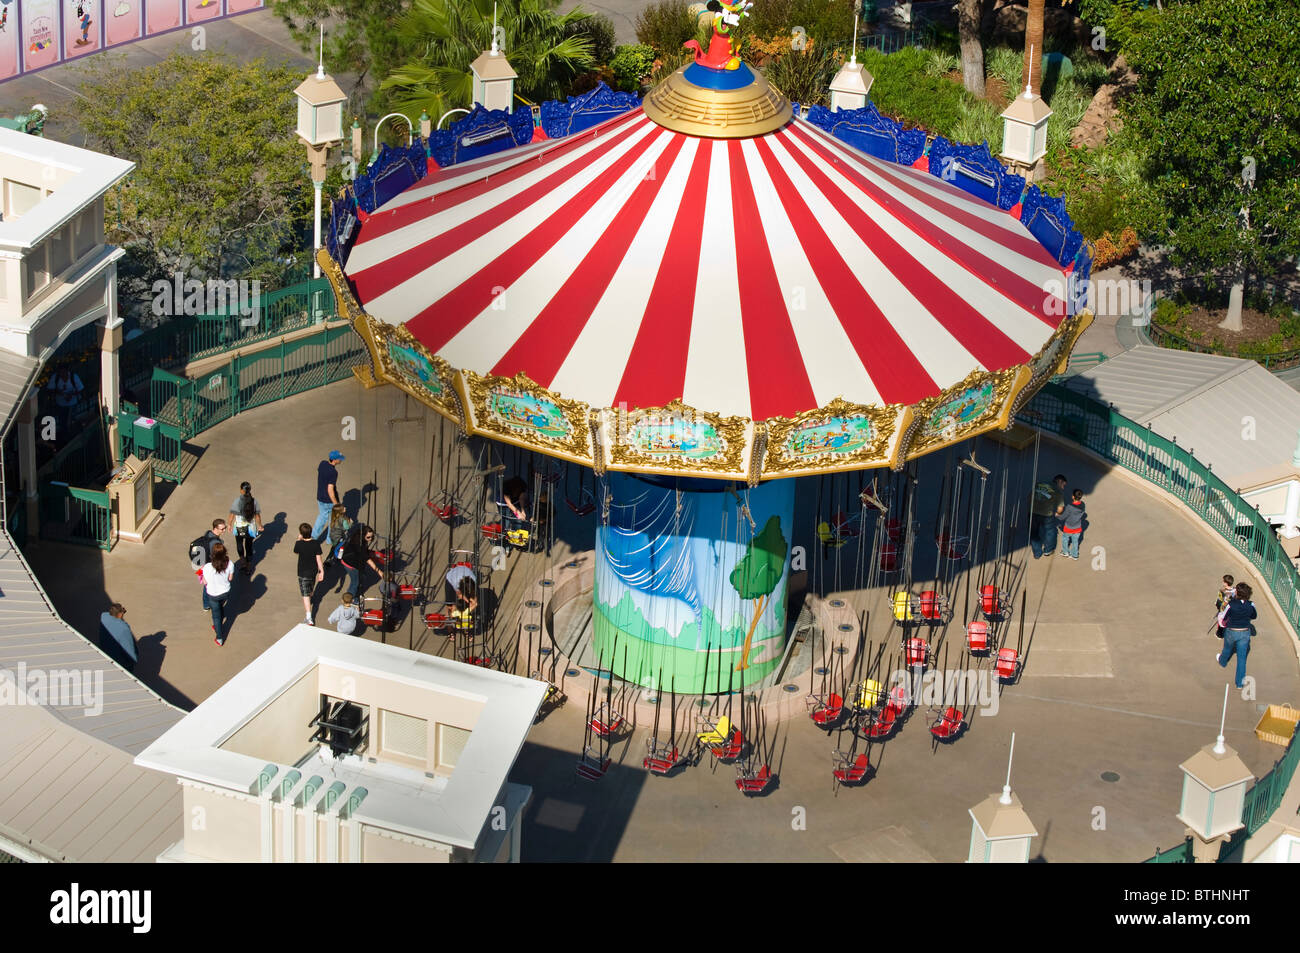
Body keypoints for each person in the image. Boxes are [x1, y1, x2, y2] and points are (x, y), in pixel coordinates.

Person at [1216, 582, 1257, 689]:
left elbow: (1223, 617)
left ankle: (1223, 662)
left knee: (1227, 649)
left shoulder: (1231, 605)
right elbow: (1254, 615)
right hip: (1244, 632)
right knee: (1242, 659)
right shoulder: (1251, 605)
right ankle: (1240, 684)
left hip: (1231, 631)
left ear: (1237, 593)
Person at [201, 542, 236, 646]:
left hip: (212, 594)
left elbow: (205, 582)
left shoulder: (207, 567)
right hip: (225, 592)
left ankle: (219, 637)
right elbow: (230, 578)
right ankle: (218, 627)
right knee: (220, 606)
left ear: (212, 555)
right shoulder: (230, 564)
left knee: (216, 616)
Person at [228, 482, 264, 575]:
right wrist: (260, 525)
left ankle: (242, 562)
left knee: (239, 544)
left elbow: (232, 514)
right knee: (249, 546)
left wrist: (229, 524)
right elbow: (257, 516)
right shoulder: (254, 501)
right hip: (250, 529)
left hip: (239, 527)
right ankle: (248, 566)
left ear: (241, 490)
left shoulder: (237, 501)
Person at [192, 519, 228, 612]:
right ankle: (208, 603)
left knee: (206, 584)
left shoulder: (208, 534)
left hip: (204, 564)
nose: (224, 531)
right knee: (208, 585)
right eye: (222, 529)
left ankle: (206, 605)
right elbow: (216, 556)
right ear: (215, 528)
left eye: (225, 528)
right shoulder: (215, 543)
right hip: (210, 565)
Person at [338, 523, 381, 599]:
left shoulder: (359, 539)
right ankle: (351, 598)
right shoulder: (359, 544)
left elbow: (365, 554)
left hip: (352, 560)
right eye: (368, 537)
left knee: (362, 577)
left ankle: (353, 592)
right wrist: (379, 571)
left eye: (372, 536)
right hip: (351, 564)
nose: (370, 539)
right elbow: (367, 559)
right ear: (363, 535)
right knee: (355, 582)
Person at [293, 522, 324, 625]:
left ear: (301, 534)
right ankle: (310, 597)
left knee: (305, 595)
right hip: (313, 571)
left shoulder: (299, 544)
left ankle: (309, 617)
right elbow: (319, 559)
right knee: (310, 588)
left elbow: (295, 551)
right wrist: (321, 572)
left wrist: (298, 539)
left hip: (302, 572)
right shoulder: (316, 544)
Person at [1030, 473, 1067, 559]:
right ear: (1059, 481)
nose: (1063, 488)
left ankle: (1037, 553)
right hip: (1046, 514)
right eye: (1063, 485)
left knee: (1034, 532)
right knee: (1050, 531)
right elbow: (1060, 508)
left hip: (1032, 511)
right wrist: (1058, 513)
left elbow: (1030, 495)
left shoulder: (1039, 484)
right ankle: (1048, 550)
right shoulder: (1057, 491)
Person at [312, 451, 345, 540]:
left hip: (320, 497)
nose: (341, 460)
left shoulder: (322, 463)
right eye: (339, 459)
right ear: (334, 460)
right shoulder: (333, 472)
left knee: (322, 517)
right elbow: (330, 490)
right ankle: (330, 540)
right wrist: (337, 504)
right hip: (329, 500)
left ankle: (313, 536)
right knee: (333, 520)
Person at [46, 366, 84, 441]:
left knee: (70, 419)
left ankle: (71, 434)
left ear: (67, 372)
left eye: (64, 373)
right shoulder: (55, 377)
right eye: (61, 373)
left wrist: (71, 395)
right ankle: (65, 436)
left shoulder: (74, 377)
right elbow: (50, 389)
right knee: (62, 421)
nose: (62, 375)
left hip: (72, 403)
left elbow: (81, 389)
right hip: (60, 404)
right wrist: (60, 393)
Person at [97, 603, 137, 673]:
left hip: (105, 653)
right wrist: (134, 659)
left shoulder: (104, 618)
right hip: (119, 661)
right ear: (120, 614)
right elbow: (129, 648)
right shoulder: (124, 628)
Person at [1059, 489, 1085, 559]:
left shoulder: (1069, 506)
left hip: (1068, 527)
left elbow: (1063, 516)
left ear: (1073, 497)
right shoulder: (1083, 505)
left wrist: (1058, 515)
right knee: (1075, 541)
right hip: (1077, 527)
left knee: (1065, 539)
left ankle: (1065, 552)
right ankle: (1075, 555)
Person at [324, 503, 352, 567]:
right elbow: (346, 527)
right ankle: (337, 559)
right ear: (340, 511)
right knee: (340, 548)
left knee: (334, 547)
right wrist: (350, 523)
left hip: (333, 536)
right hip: (340, 537)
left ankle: (329, 558)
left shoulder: (333, 517)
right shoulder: (343, 519)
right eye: (343, 508)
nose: (345, 508)